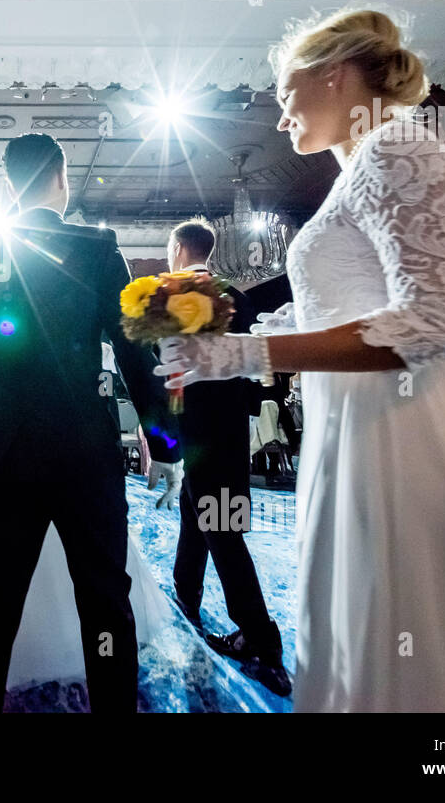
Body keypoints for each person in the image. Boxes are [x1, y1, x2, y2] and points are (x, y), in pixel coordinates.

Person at [156, 7, 445, 711]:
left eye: (284, 96)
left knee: (419, 636)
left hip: (405, 434)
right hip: (355, 428)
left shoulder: (399, 150)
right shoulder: (360, 168)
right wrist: (229, 348)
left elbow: (436, 320)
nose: (280, 120)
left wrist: (247, 349)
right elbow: (340, 308)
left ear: (333, 75)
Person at [0, 133, 182, 714]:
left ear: (7, 186)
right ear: (62, 178)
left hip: (4, 449)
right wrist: (167, 446)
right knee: (104, 600)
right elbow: (135, 354)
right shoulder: (99, 248)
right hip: (84, 451)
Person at [165, 219, 291, 697]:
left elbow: (171, 365)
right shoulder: (236, 293)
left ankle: (261, 638)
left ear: (178, 248)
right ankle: (187, 592)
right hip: (232, 427)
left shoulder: (174, 292)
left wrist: (158, 426)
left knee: (221, 528)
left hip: (197, 428)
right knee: (198, 512)